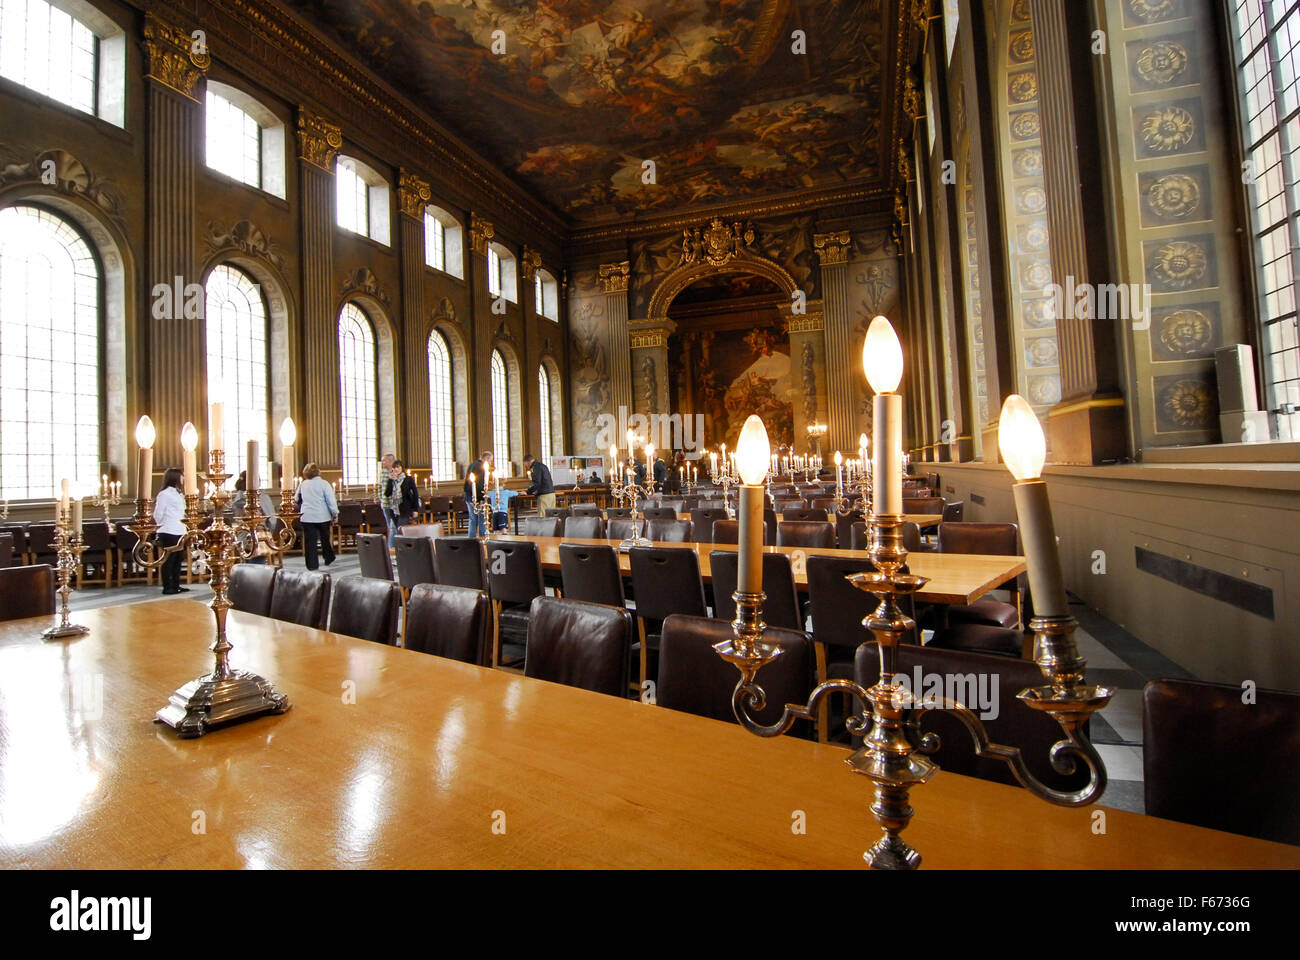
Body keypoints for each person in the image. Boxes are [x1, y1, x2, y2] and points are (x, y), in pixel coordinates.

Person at [296, 462, 338, 570]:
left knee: (310, 542)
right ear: (318, 472)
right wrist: (335, 513)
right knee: (325, 538)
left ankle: (312, 565)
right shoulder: (324, 484)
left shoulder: (303, 484)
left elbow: (296, 499)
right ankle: (328, 557)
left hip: (307, 516)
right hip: (322, 516)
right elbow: (331, 501)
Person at [154, 467, 188, 595]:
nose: (183, 478)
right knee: (169, 560)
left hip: (180, 530)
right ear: (175, 477)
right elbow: (158, 513)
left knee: (178, 559)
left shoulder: (178, 493)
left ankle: (176, 584)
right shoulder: (165, 494)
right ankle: (167, 586)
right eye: (181, 476)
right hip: (168, 530)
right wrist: (161, 525)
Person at [464, 450, 493, 538]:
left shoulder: (472, 465)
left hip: (469, 496)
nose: (490, 463)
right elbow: (479, 484)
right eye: (490, 461)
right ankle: (483, 539)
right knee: (482, 520)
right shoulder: (480, 467)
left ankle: (471, 540)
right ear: (486, 458)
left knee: (472, 520)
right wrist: (481, 498)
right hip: (477, 497)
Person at [389, 459, 421, 532]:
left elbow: (415, 494)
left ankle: (402, 543)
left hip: (405, 508)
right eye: (395, 467)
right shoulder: (391, 480)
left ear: (402, 468)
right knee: (396, 531)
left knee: (401, 529)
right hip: (394, 509)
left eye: (398, 467)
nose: (396, 469)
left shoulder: (408, 479)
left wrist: (415, 509)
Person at [378, 452, 399, 547]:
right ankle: (392, 547)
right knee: (391, 526)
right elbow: (380, 487)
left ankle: (393, 546)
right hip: (385, 504)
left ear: (391, 461)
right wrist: (381, 499)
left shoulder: (397, 472)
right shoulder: (383, 472)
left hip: (395, 505)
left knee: (394, 526)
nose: (382, 463)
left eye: (384, 461)